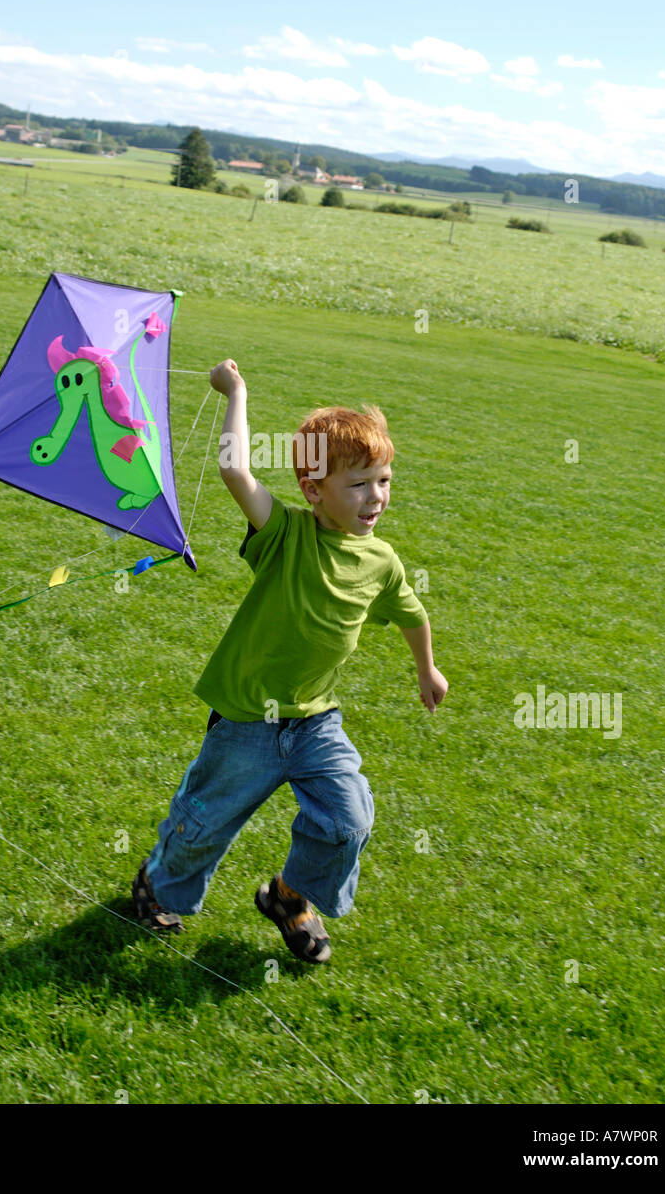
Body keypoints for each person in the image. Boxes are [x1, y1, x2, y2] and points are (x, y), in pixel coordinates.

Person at [130, 359, 448, 963]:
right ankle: (157, 885)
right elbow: (233, 469)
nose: (375, 496)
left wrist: (425, 668)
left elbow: (411, 611)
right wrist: (236, 391)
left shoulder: (382, 561)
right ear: (313, 491)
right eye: (357, 484)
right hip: (248, 720)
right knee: (205, 823)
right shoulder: (285, 534)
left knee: (348, 819)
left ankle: (288, 896)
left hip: (315, 721)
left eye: (383, 480)